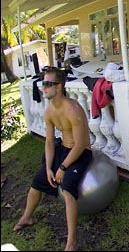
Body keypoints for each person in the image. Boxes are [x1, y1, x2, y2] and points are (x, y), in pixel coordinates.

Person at [13, 67, 92, 251]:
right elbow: (49, 142)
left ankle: (72, 242)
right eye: (43, 83)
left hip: (80, 153)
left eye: (48, 84)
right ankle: (27, 217)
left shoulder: (73, 109)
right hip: (63, 149)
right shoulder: (49, 112)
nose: (44, 87)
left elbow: (80, 145)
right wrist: (49, 167)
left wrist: (63, 168)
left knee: (67, 190)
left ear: (59, 87)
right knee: (36, 183)